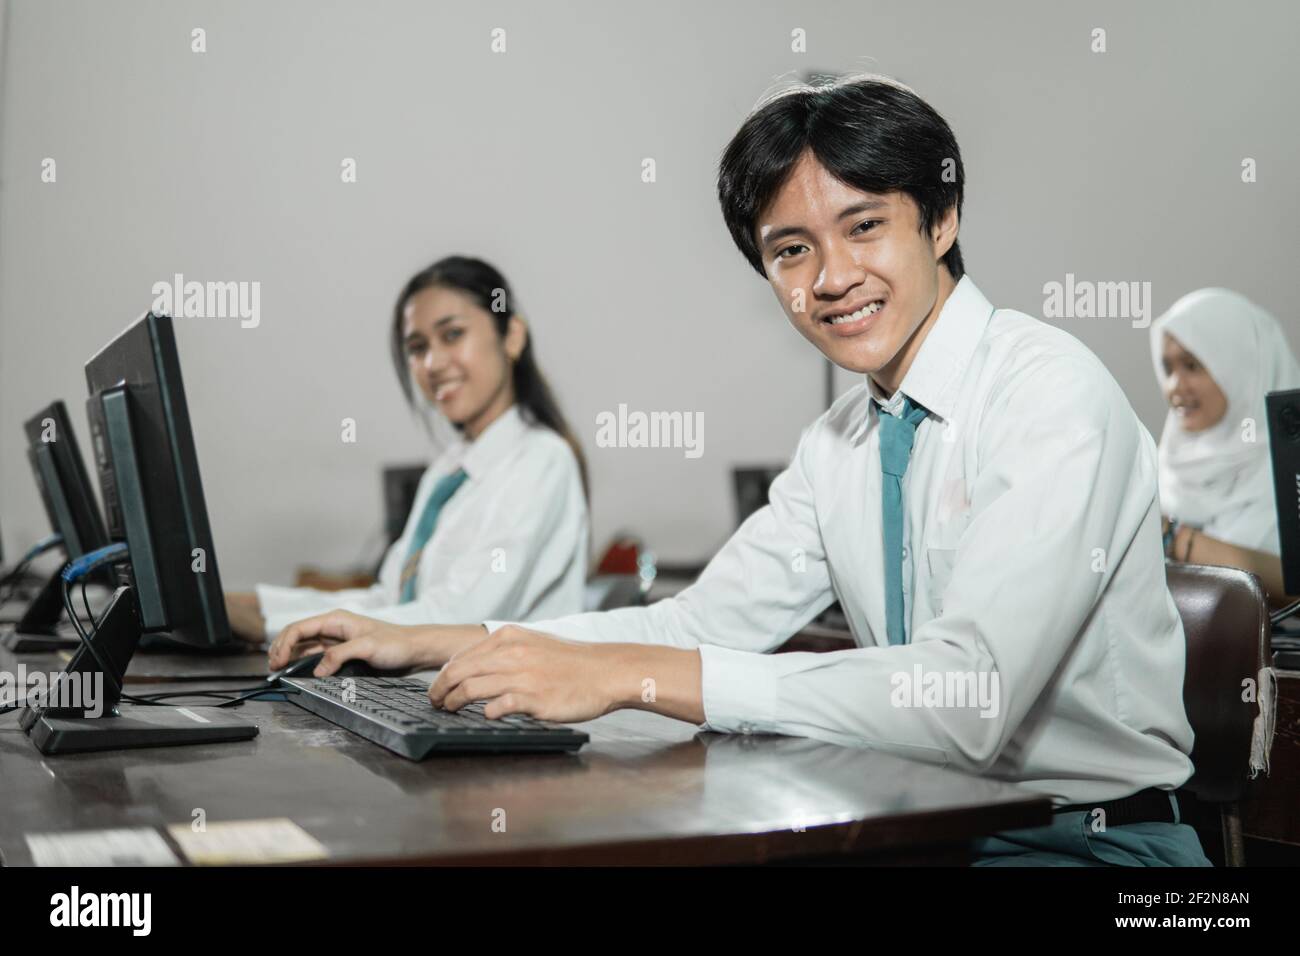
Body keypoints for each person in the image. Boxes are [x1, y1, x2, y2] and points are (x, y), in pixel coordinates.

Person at [269, 76, 1208, 866]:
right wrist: (433, 641)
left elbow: (966, 701)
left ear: (943, 217)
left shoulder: (1048, 395)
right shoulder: (841, 438)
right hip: (916, 827)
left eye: (864, 226)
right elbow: (698, 621)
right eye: (791, 251)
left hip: (1090, 850)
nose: (830, 277)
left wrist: (629, 676)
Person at [225, 255, 589, 641]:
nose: (431, 364)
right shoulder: (447, 472)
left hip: (494, 700)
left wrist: (266, 628)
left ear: (512, 337)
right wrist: (254, 605)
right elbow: (388, 602)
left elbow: (457, 618)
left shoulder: (542, 460)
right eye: (417, 347)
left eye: (452, 335)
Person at [1152, 288, 1300, 607]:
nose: (1174, 387)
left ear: (1243, 366)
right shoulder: (1166, 464)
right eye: (1168, 368)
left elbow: (1293, 587)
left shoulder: (1291, 465)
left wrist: (1168, 537)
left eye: (1192, 365)